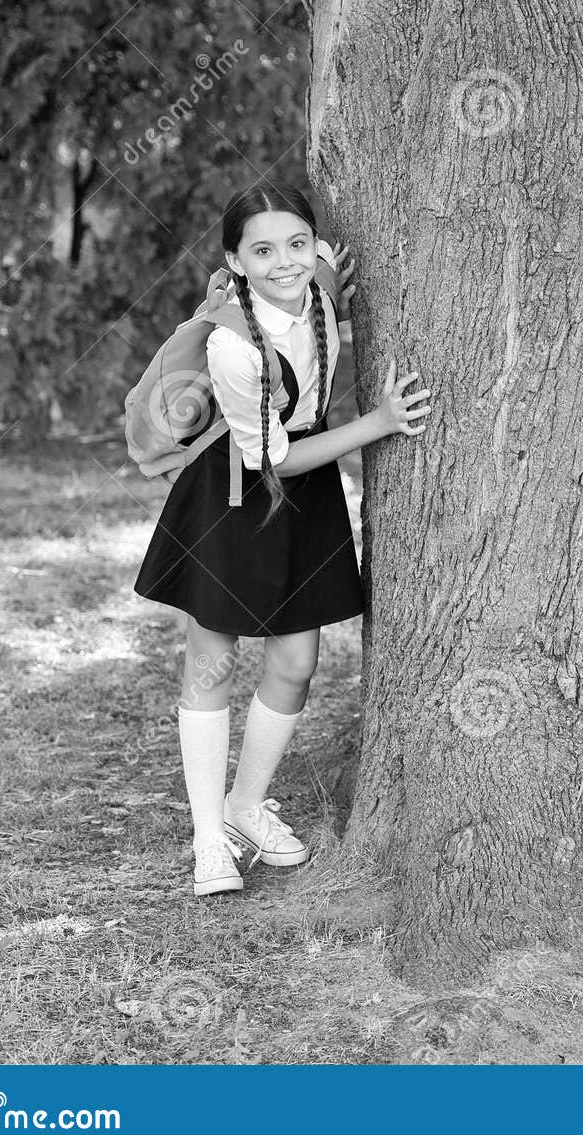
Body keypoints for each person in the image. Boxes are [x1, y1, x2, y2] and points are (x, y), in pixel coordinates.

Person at [133, 181, 430, 896]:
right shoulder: (235, 346)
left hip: (308, 491)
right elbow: (272, 456)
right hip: (238, 490)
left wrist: (324, 275)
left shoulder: (317, 282)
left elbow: (321, 272)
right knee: (214, 658)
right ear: (234, 260)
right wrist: (380, 423)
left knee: (296, 659)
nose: (285, 262)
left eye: (297, 244)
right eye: (262, 251)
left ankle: (245, 803)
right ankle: (209, 837)